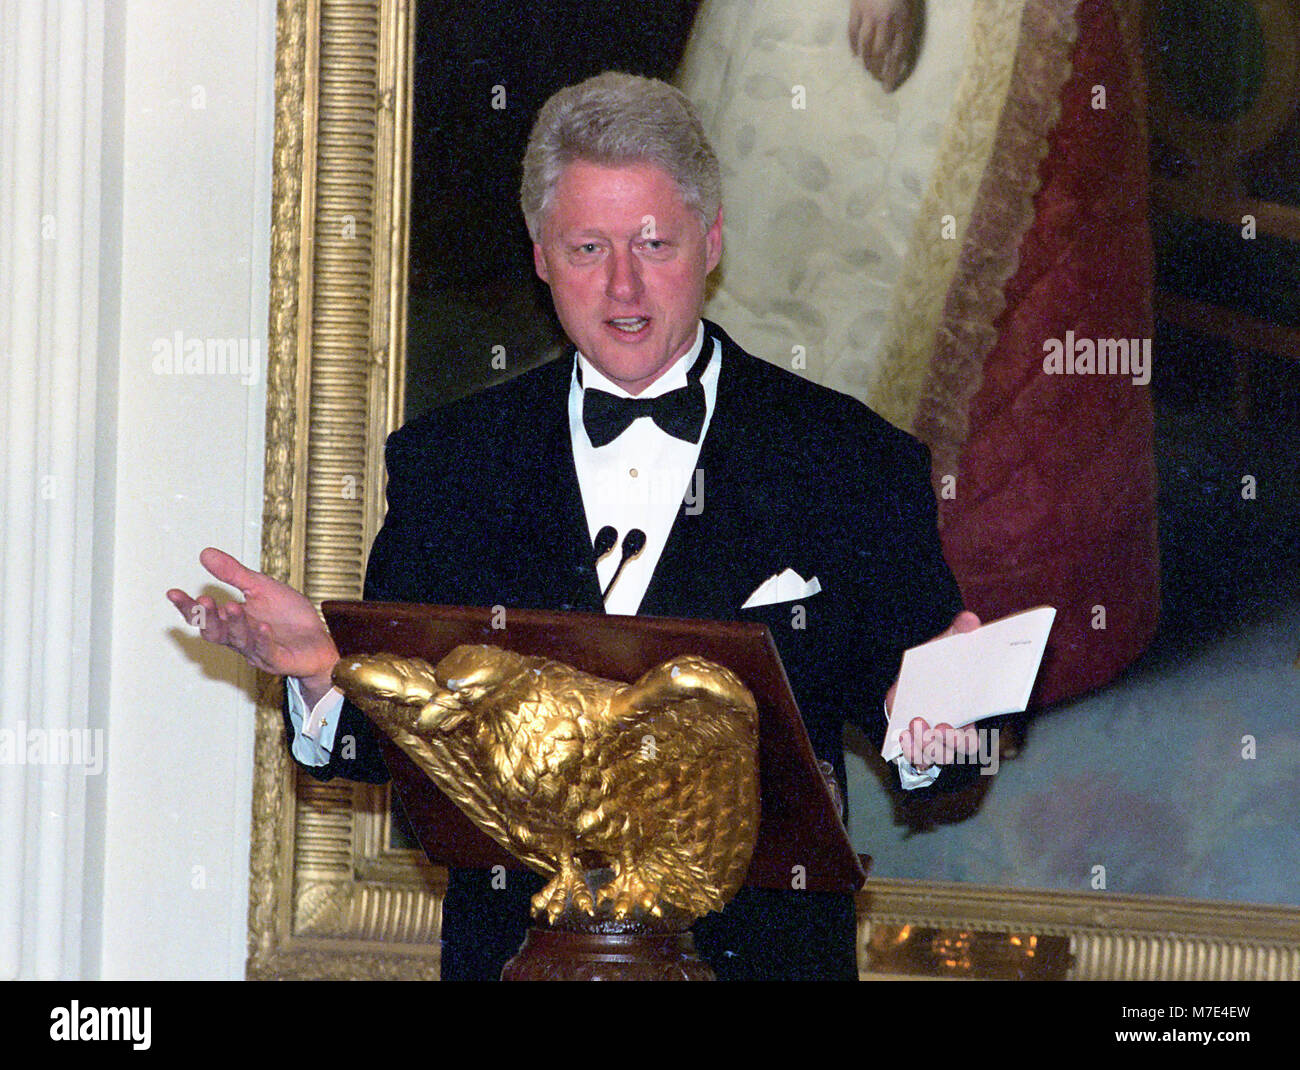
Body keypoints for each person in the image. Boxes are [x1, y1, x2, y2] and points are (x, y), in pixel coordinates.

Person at [168, 71, 983, 981]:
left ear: (712, 241)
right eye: (589, 247)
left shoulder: (851, 460)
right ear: (541, 257)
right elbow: (384, 747)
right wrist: (320, 671)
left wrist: (950, 722)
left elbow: (933, 754)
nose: (623, 283)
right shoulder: (452, 463)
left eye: (654, 242)